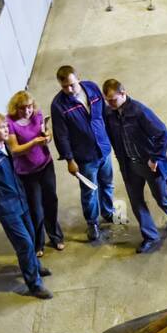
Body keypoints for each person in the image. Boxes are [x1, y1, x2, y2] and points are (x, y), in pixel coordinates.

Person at [0, 112, 53, 300]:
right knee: (23, 243)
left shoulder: (5, 147)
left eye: (7, 126)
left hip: (20, 200)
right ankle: (34, 284)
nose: (7, 130)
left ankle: (36, 267)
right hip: (6, 208)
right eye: (2, 127)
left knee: (31, 236)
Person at [102, 78, 167, 254]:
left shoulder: (139, 112)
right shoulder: (109, 114)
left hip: (149, 165)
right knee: (136, 201)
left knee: (161, 198)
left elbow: (163, 133)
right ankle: (150, 236)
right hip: (129, 165)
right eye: (108, 100)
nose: (110, 104)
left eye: (113, 100)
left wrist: (155, 159)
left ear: (124, 93)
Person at [49, 66, 116, 242]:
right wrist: (69, 160)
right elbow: (61, 136)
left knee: (107, 183)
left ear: (78, 79)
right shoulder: (58, 105)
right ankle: (92, 222)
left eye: (72, 85)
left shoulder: (92, 88)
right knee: (89, 191)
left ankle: (108, 212)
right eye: (65, 87)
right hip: (85, 157)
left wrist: (110, 138)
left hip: (103, 148)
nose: (69, 90)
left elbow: (104, 114)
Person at [6, 90, 64, 254]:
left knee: (51, 201)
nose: (27, 111)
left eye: (29, 107)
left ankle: (56, 235)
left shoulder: (37, 115)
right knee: (35, 209)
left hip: (45, 165)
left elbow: (46, 132)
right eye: (23, 108)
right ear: (15, 108)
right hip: (27, 173)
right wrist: (34, 143)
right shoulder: (10, 123)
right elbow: (15, 150)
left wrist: (47, 136)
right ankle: (38, 243)